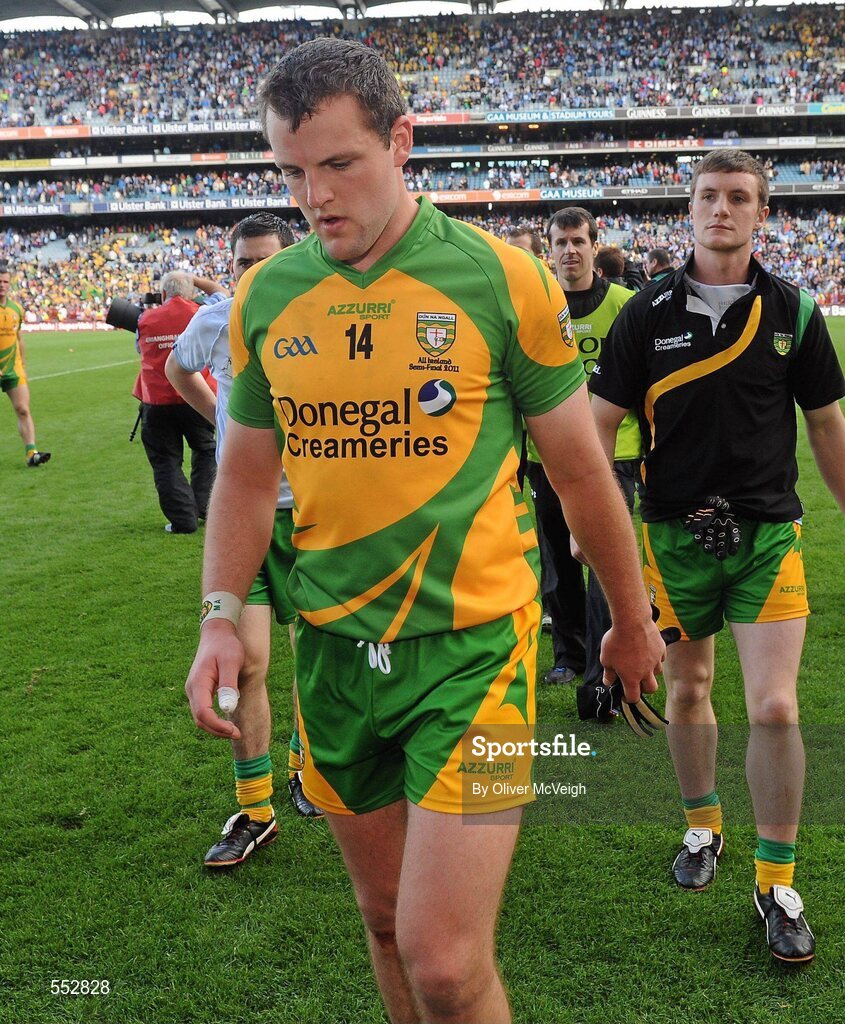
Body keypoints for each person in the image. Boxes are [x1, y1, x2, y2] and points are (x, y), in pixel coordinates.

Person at [183, 38, 663, 1024]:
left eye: (339, 163)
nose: (314, 195)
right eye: (292, 171)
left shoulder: (499, 280)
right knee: (383, 923)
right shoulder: (267, 298)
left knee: (444, 961)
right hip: (333, 657)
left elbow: (578, 470)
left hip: (473, 655)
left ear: (401, 141)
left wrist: (628, 616)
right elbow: (241, 473)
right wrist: (221, 614)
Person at [589, 150, 845, 963]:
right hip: (672, 538)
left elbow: (826, 426)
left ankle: (777, 881)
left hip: (767, 538)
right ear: (690, 209)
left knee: (776, 707)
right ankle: (702, 826)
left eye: (739, 198)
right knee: (689, 688)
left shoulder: (794, 310)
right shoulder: (645, 311)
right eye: (709, 196)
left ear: (761, 213)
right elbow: (596, 422)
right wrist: (600, 513)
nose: (723, 209)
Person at [166, 213, 324, 869]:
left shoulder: (323, 317)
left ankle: (304, 767)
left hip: (317, 513)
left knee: (317, 659)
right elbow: (180, 370)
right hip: (246, 515)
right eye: (242, 264)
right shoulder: (217, 317)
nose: (254, 275)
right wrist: (223, 426)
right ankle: (256, 811)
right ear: (228, 270)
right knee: (249, 661)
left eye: (267, 261)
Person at [526, 207, 641, 694]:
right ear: (548, 250)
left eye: (578, 241)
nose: (569, 250)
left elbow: (646, 384)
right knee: (557, 560)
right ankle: (568, 657)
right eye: (560, 242)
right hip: (544, 456)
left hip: (614, 452)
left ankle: (601, 665)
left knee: (602, 556)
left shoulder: (625, 303)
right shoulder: (533, 304)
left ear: (595, 246)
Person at [134, 271, 222, 533]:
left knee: (165, 461)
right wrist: (193, 280)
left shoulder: (144, 319)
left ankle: (183, 520)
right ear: (191, 292)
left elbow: (140, 349)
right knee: (206, 451)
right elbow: (219, 290)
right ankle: (206, 506)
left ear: (162, 294)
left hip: (157, 400)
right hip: (196, 395)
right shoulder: (204, 310)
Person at [0, 265, 50, 467]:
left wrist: (23, 365)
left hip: (13, 369)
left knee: (23, 409)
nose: (2, 285)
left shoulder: (16, 309)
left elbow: (19, 338)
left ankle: (32, 453)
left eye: (5, 281)